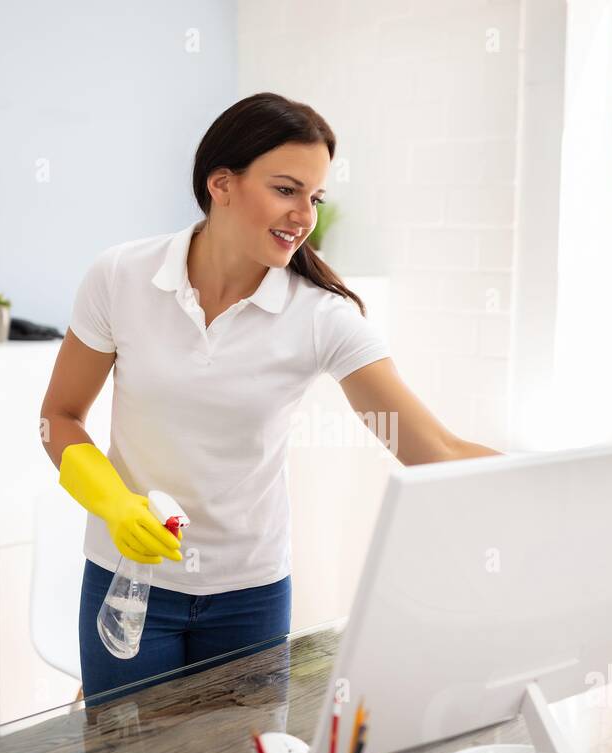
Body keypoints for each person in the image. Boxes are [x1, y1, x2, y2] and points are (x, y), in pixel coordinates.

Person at [40, 92, 500, 699]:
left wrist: (570, 482)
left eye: (315, 197)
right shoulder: (122, 276)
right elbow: (60, 417)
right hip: (130, 584)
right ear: (221, 184)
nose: (303, 215)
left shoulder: (320, 316)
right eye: (286, 190)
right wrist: (115, 504)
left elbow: (433, 449)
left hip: (248, 595)